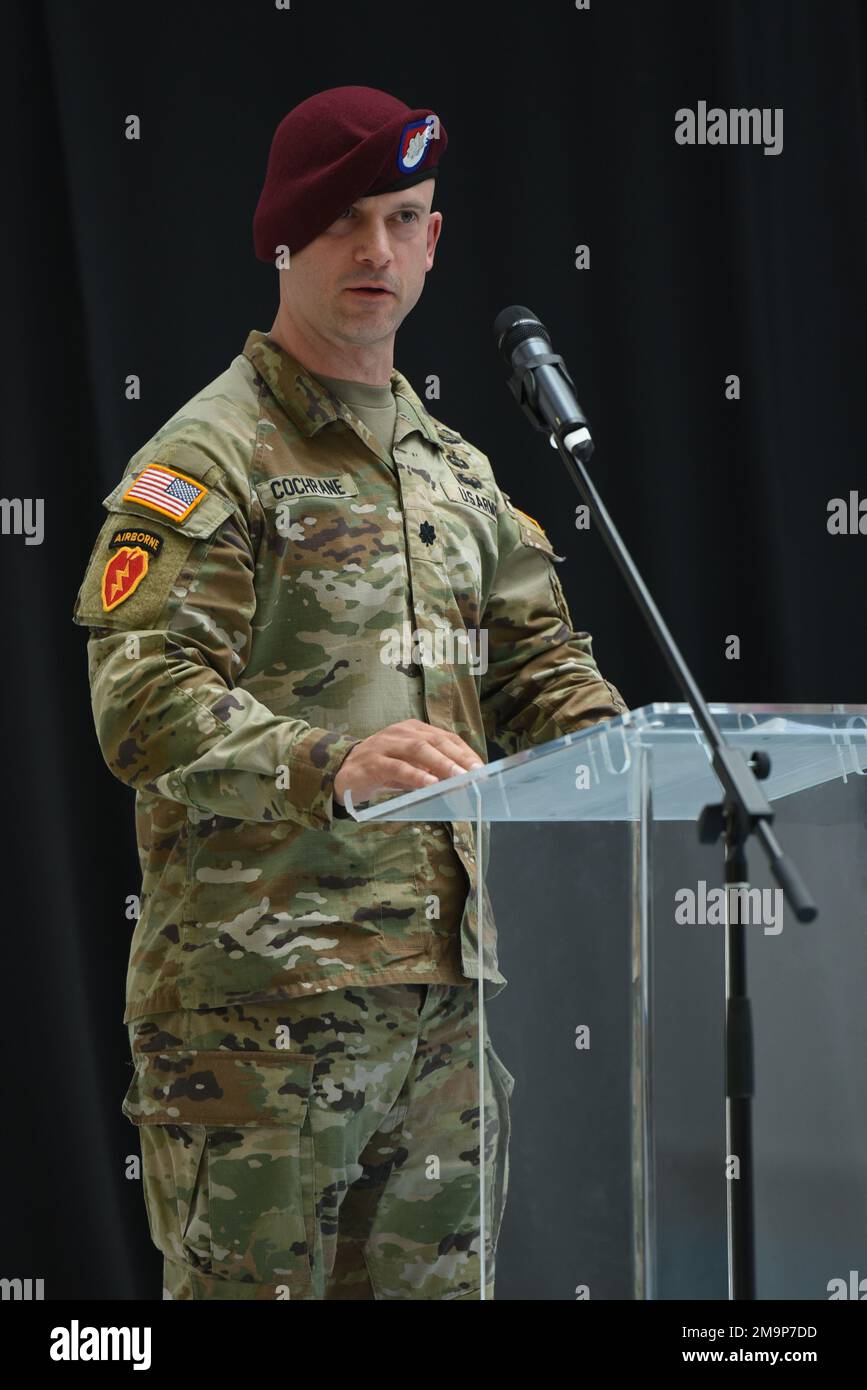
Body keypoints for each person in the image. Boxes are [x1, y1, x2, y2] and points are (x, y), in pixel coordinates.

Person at [71, 85, 628, 1300]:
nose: (375, 251)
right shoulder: (206, 457)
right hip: (255, 1021)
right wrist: (335, 764)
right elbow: (144, 698)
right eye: (344, 223)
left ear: (435, 239)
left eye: (404, 218)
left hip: (447, 1021)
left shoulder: (458, 474)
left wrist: (625, 760)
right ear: (284, 238)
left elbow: (545, 674)